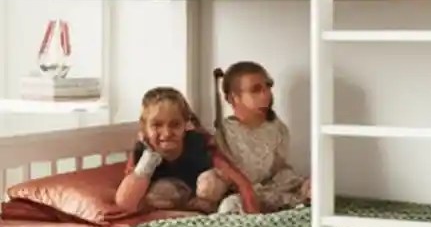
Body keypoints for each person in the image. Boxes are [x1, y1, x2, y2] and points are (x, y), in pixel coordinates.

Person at [115, 86, 258, 215]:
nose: (167, 133)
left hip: (211, 199)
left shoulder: (199, 143)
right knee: (156, 193)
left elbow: (239, 180)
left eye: (175, 125)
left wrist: (253, 213)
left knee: (209, 185)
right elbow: (125, 202)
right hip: (181, 203)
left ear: (185, 125)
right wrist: (149, 159)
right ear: (144, 128)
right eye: (157, 125)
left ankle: (218, 214)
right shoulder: (142, 152)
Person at [213, 62, 310, 213]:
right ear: (233, 98)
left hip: (275, 189)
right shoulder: (224, 133)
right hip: (240, 194)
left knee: (315, 188)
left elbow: (278, 170)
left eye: (267, 88)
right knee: (229, 204)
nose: (266, 95)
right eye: (256, 90)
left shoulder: (278, 129)